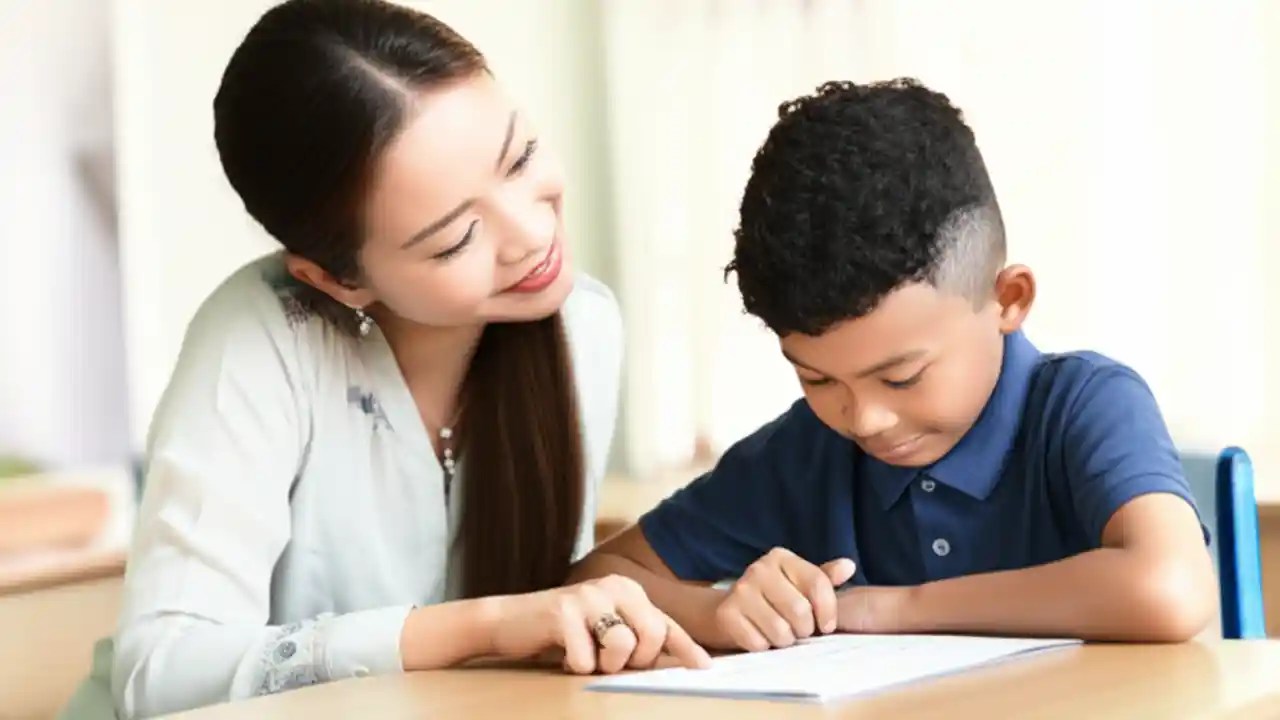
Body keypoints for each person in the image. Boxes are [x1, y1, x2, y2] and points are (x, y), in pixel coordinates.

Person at [61, 1, 707, 717]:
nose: (531, 232)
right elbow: (162, 674)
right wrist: (482, 627)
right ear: (339, 279)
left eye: (520, 156)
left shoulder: (584, 324)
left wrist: (701, 610)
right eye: (456, 238)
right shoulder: (260, 340)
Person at [571, 78, 1216, 650]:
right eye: (816, 377)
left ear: (1007, 299)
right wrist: (720, 612)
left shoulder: (1085, 405)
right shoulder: (807, 451)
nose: (866, 418)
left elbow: (1169, 587)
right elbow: (597, 581)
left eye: (902, 376)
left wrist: (897, 608)